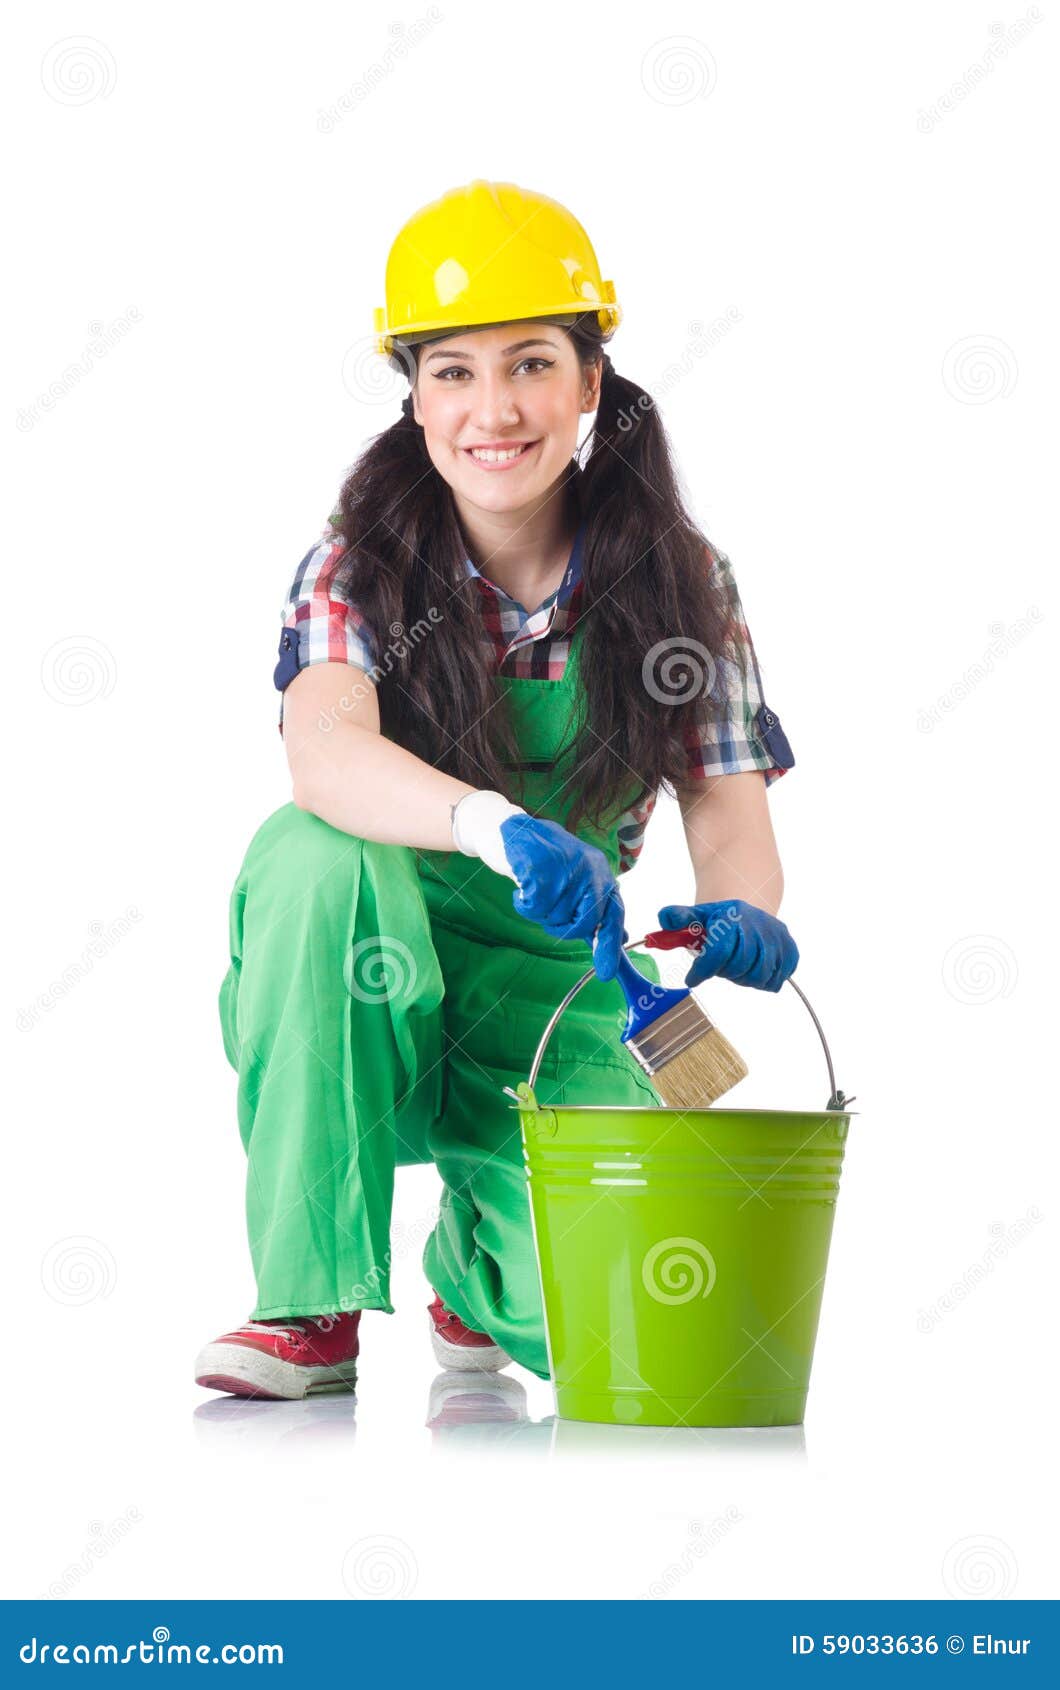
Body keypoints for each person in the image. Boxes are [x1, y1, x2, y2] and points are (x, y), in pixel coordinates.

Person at [194, 179, 798, 1402]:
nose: (494, 409)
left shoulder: (685, 582)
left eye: (531, 363)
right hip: (365, 974)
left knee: (627, 1323)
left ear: (591, 385)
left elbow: (731, 815)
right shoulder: (356, 562)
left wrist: (738, 921)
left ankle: (474, 1270)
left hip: (556, 979)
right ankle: (306, 1302)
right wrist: (492, 822)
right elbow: (324, 752)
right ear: (413, 396)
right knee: (315, 853)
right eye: (454, 372)